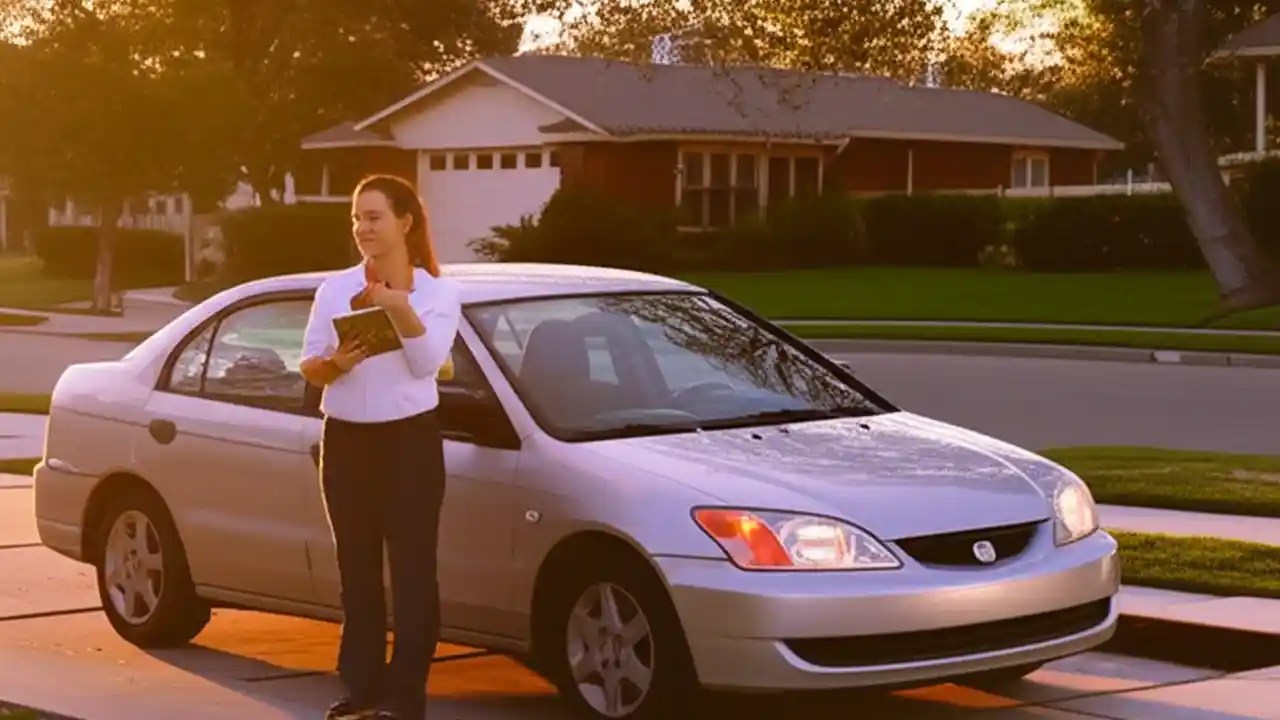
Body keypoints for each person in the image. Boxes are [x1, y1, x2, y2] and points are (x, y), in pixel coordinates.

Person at [300, 174, 461, 720]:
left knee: (413, 572)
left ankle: (403, 698)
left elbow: (425, 362)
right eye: (356, 219)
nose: (362, 228)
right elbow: (312, 366)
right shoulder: (333, 289)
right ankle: (362, 687)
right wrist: (339, 362)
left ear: (405, 223)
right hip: (345, 442)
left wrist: (395, 304)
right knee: (357, 570)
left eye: (373, 217)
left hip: (408, 444)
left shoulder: (439, 294)